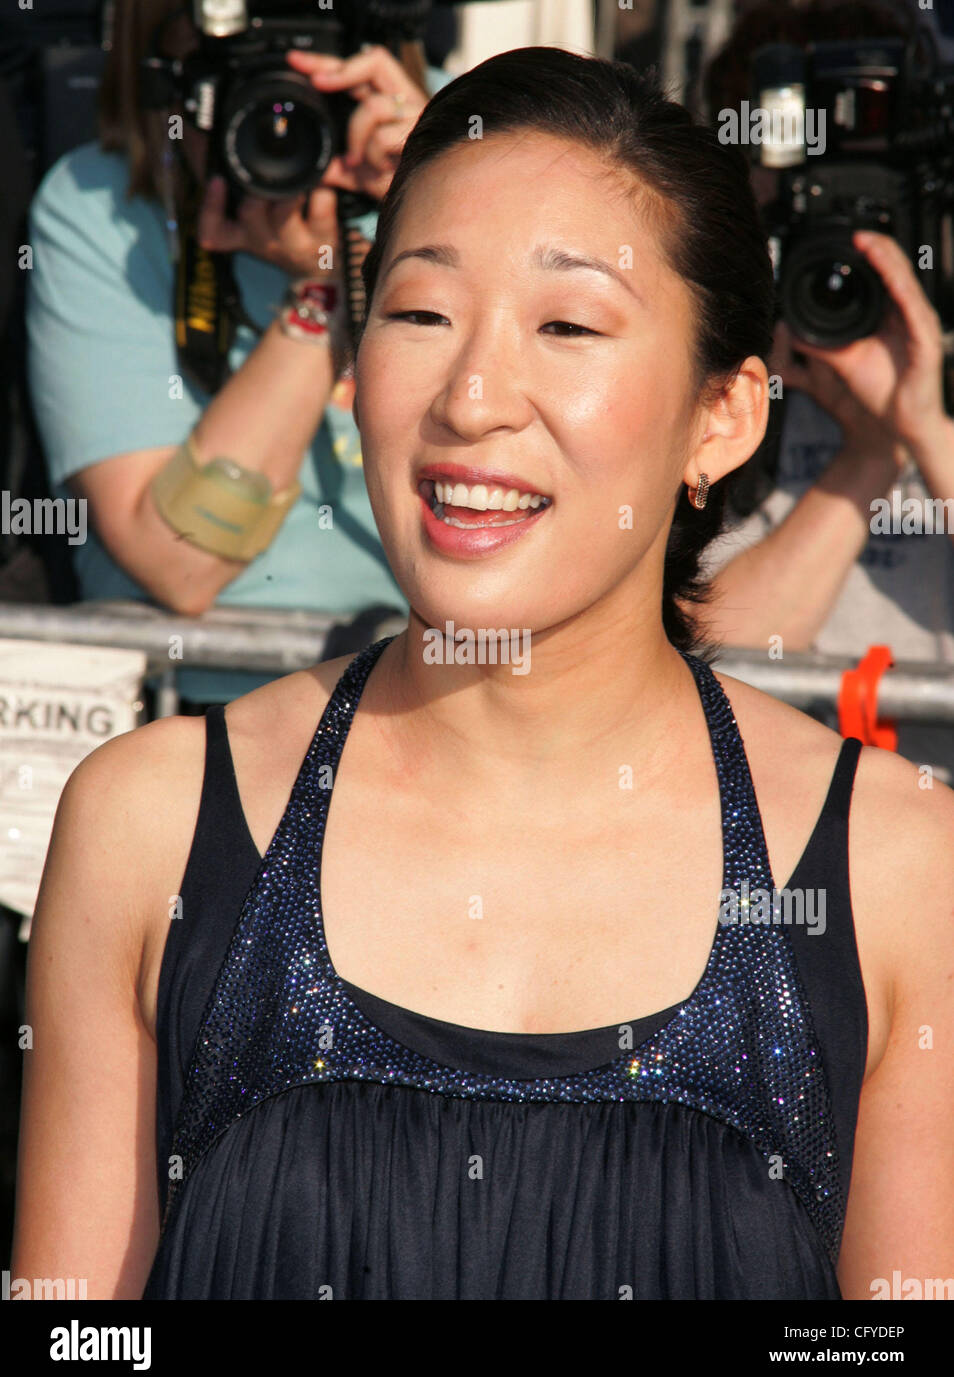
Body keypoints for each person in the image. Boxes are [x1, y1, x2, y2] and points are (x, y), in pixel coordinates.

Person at [11, 46, 954, 1300]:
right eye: (420, 313)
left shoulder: (894, 871)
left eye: (568, 325)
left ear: (722, 416)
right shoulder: (148, 823)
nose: (472, 396)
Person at [25, 0, 453, 708]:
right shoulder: (103, 208)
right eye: (230, 84)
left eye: (312, 84)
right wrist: (319, 293)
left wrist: (438, 195)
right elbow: (179, 562)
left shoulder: (447, 136)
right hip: (210, 705)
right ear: (164, 78)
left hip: (443, 702)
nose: (277, 121)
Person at [696, 0, 954, 782]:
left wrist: (927, 428)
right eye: (800, 210)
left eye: (872, 205)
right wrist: (867, 461)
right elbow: (708, 658)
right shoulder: (714, 385)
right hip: (779, 827)